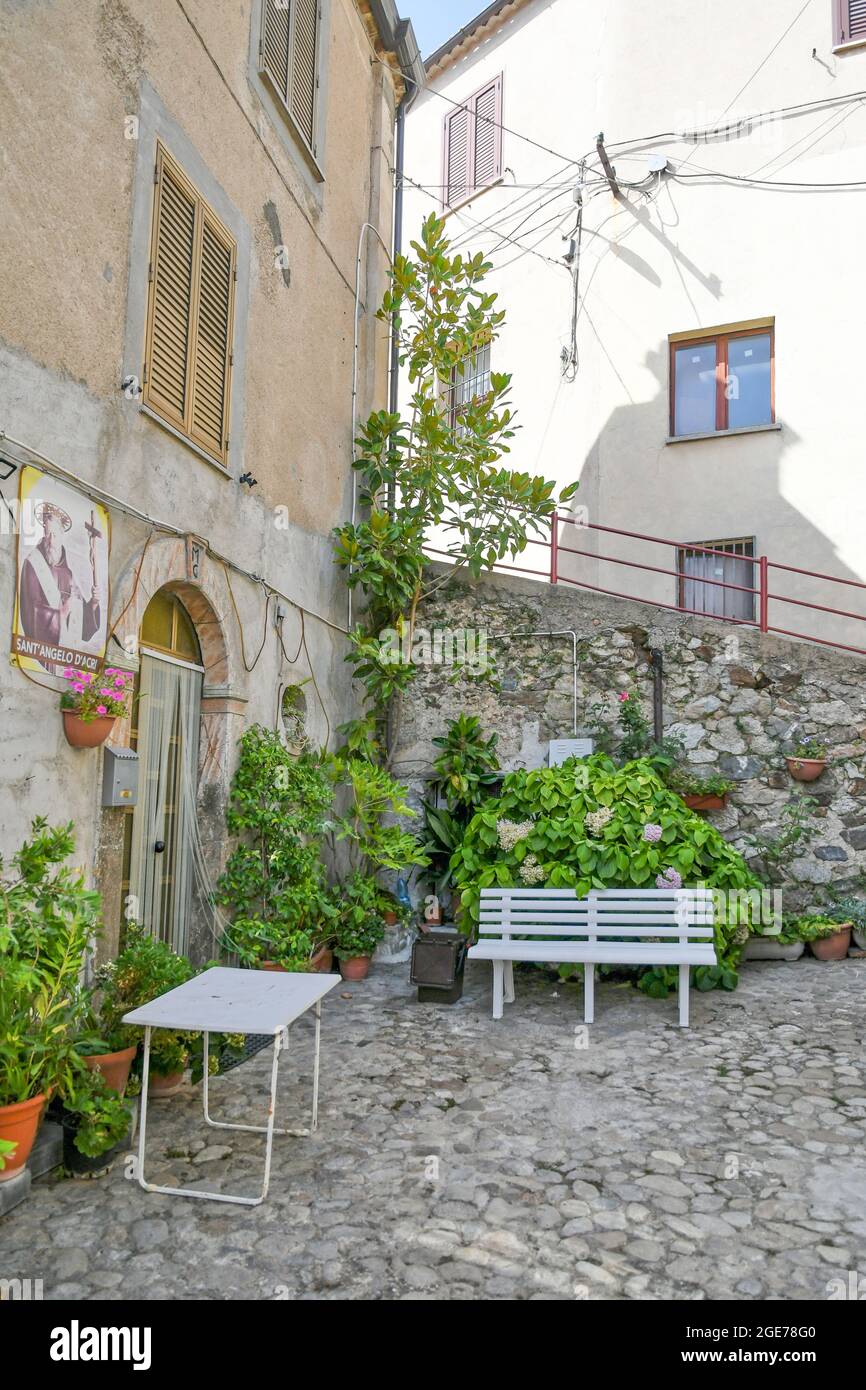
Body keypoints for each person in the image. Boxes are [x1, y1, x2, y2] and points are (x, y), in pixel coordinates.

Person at [18, 501, 102, 672]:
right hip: (44, 653)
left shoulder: (68, 573)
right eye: (47, 534)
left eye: (55, 535)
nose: (51, 540)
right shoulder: (32, 564)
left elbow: (83, 625)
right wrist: (60, 613)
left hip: (64, 652)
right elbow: (30, 610)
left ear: (62, 536)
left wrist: (93, 603)